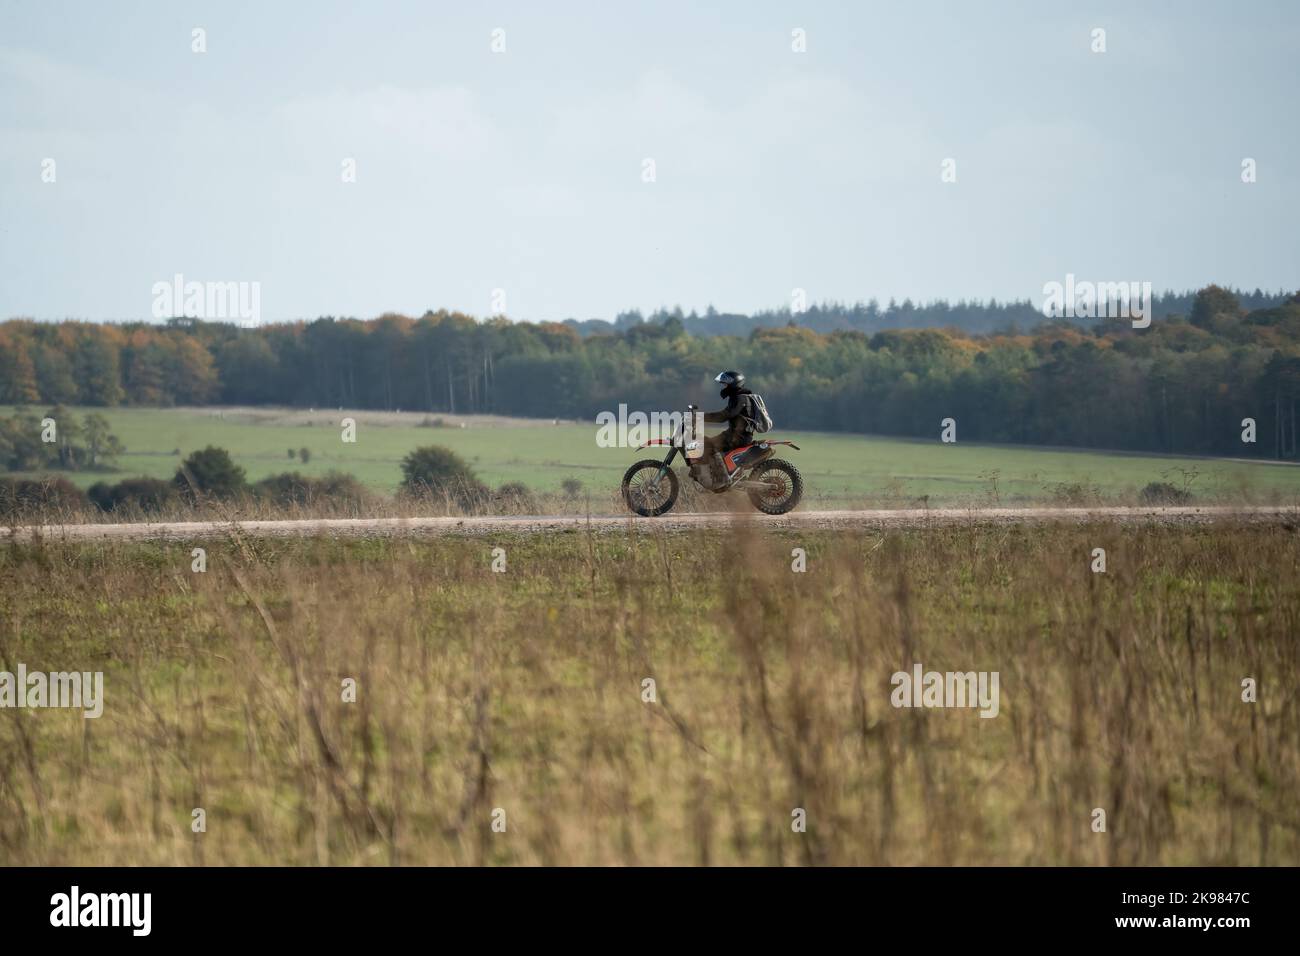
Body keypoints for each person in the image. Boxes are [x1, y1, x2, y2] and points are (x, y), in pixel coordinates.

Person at [700, 370, 758, 486]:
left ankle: (723, 479)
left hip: (738, 437)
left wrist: (700, 417)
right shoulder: (737, 397)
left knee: (709, 446)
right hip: (734, 435)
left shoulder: (740, 398)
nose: (723, 386)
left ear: (733, 384)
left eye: (725, 384)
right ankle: (722, 474)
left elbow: (725, 415)